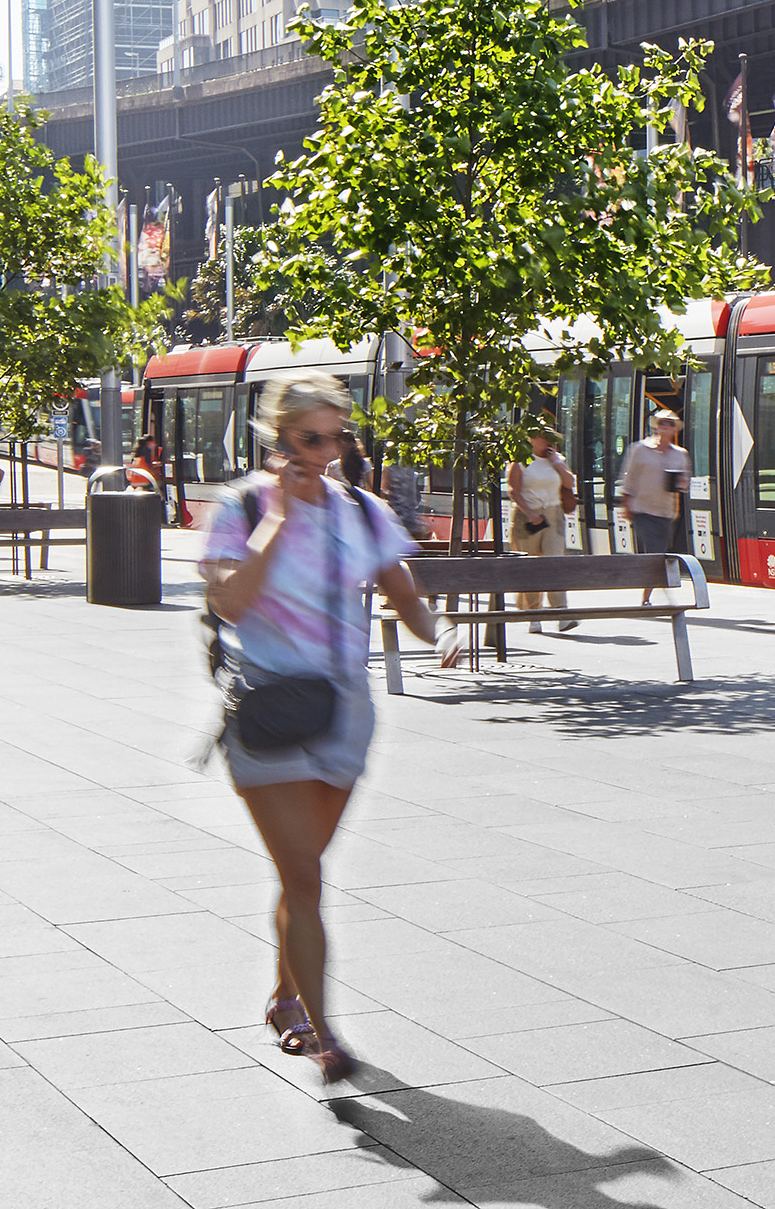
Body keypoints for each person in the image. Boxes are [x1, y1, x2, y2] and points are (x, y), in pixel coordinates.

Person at [200, 371, 439, 1087]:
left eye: (337, 436)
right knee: (303, 875)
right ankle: (323, 1030)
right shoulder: (240, 507)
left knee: (300, 871)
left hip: (342, 713)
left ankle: (283, 993)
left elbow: (403, 592)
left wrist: (440, 632)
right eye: (311, 437)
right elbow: (233, 604)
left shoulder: (360, 511)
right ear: (279, 437)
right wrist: (278, 518)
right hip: (268, 709)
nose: (326, 450)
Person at [507, 423, 575, 637]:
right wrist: (529, 513)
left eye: (549, 437)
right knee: (531, 565)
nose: (547, 441)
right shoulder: (520, 461)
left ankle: (561, 613)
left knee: (555, 563)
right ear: (531, 439)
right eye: (542, 437)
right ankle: (533, 615)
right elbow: (513, 491)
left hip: (554, 514)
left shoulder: (557, 460)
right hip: (527, 517)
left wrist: (558, 464)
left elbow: (570, 482)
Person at [621, 408, 692, 592]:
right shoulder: (640, 449)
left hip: (666, 512)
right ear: (656, 427)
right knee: (654, 552)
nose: (665, 427)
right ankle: (648, 595)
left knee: (659, 553)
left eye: (670, 424)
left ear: (675, 429)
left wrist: (682, 482)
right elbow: (628, 480)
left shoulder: (680, 454)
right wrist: (626, 504)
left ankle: (650, 588)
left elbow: (685, 484)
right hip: (642, 510)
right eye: (662, 423)